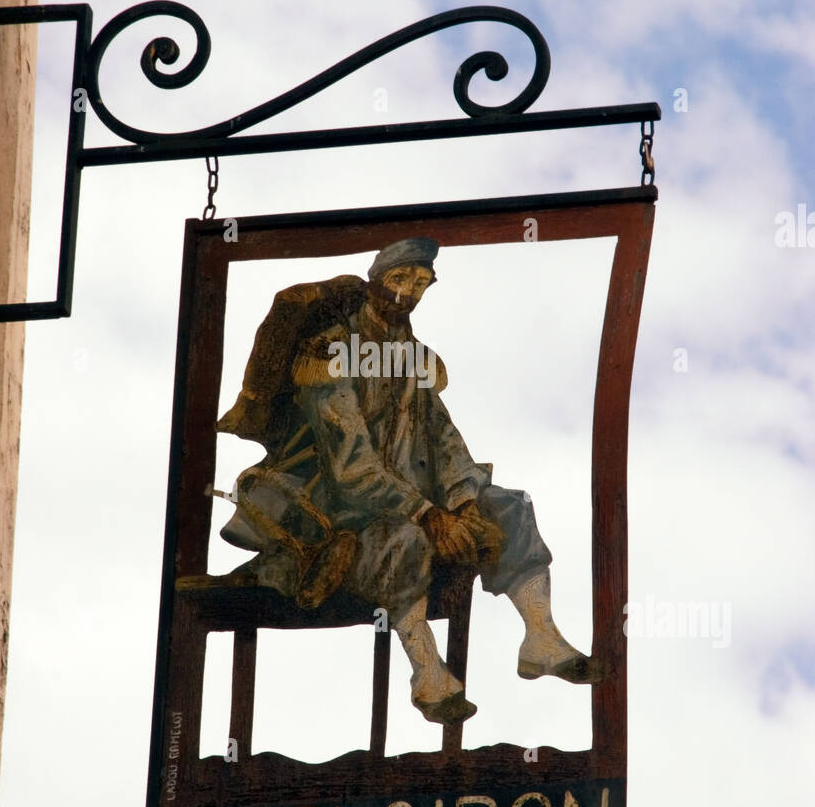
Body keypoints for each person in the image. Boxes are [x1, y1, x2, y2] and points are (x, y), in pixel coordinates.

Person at [215, 237, 600, 725]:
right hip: (341, 510)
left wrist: (463, 502)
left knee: (510, 506)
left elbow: (443, 436)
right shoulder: (330, 353)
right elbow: (351, 466)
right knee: (404, 541)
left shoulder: (410, 355)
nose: (409, 293)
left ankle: (540, 637)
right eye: (400, 280)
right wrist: (427, 513)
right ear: (377, 282)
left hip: (421, 499)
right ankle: (428, 672)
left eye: (421, 283)